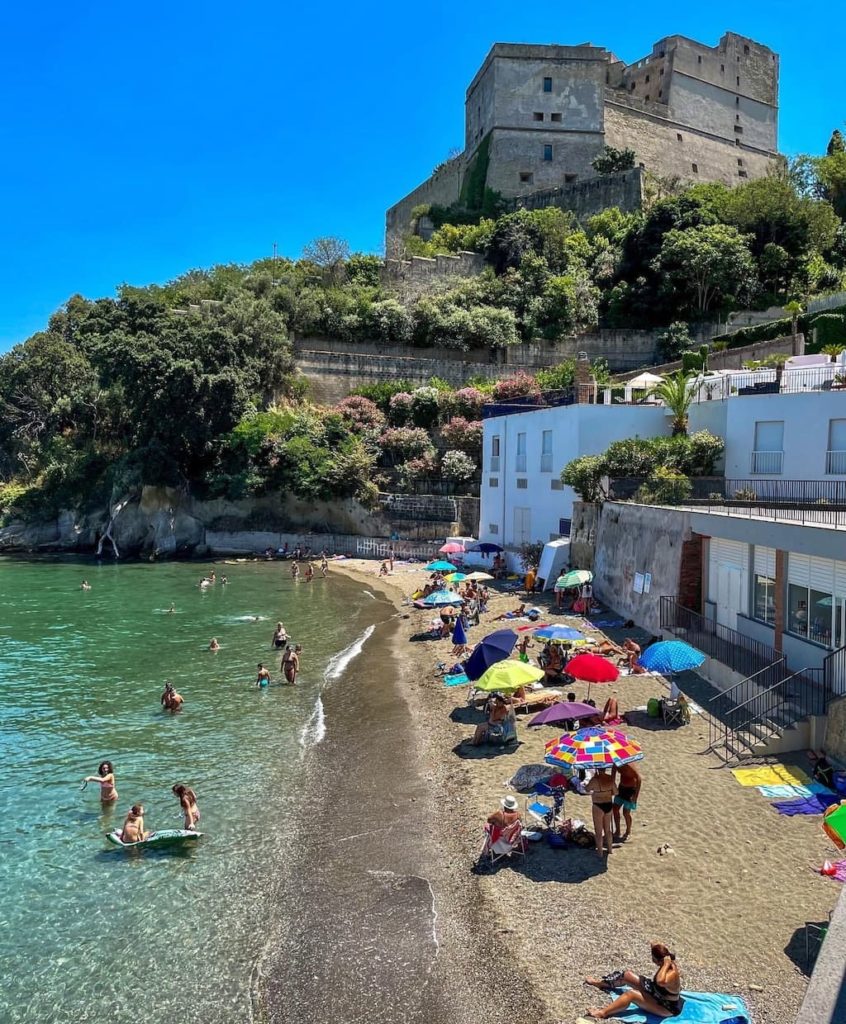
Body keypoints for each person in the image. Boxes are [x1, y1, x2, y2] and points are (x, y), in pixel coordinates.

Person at [585, 942, 684, 1019]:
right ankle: (599, 984)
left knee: (631, 994)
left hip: (666, 1006)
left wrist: (666, 964)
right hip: (656, 993)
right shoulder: (663, 961)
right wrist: (657, 946)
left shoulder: (671, 973)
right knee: (627, 975)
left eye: (653, 958)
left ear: (658, 960)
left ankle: (602, 1013)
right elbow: (654, 944)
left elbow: (660, 981)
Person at [585, 767, 617, 857]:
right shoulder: (610, 778)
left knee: (598, 831)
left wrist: (594, 779)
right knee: (608, 830)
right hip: (608, 804)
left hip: (598, 805)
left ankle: (600, 853)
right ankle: (610, 850)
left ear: (597, 769)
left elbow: (587, 789)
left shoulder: (595, 779)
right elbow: (616, 792)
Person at [613, 762, 641, 842]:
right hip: (621, 788)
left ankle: (628, 831)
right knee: (615, 809)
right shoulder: (616, 764)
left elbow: (639, 778)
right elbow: (613, 776)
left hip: (631, 790)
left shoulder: (630, 766)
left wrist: (635, 796)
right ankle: (617, 831)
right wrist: (612, 787)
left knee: (626, 812)